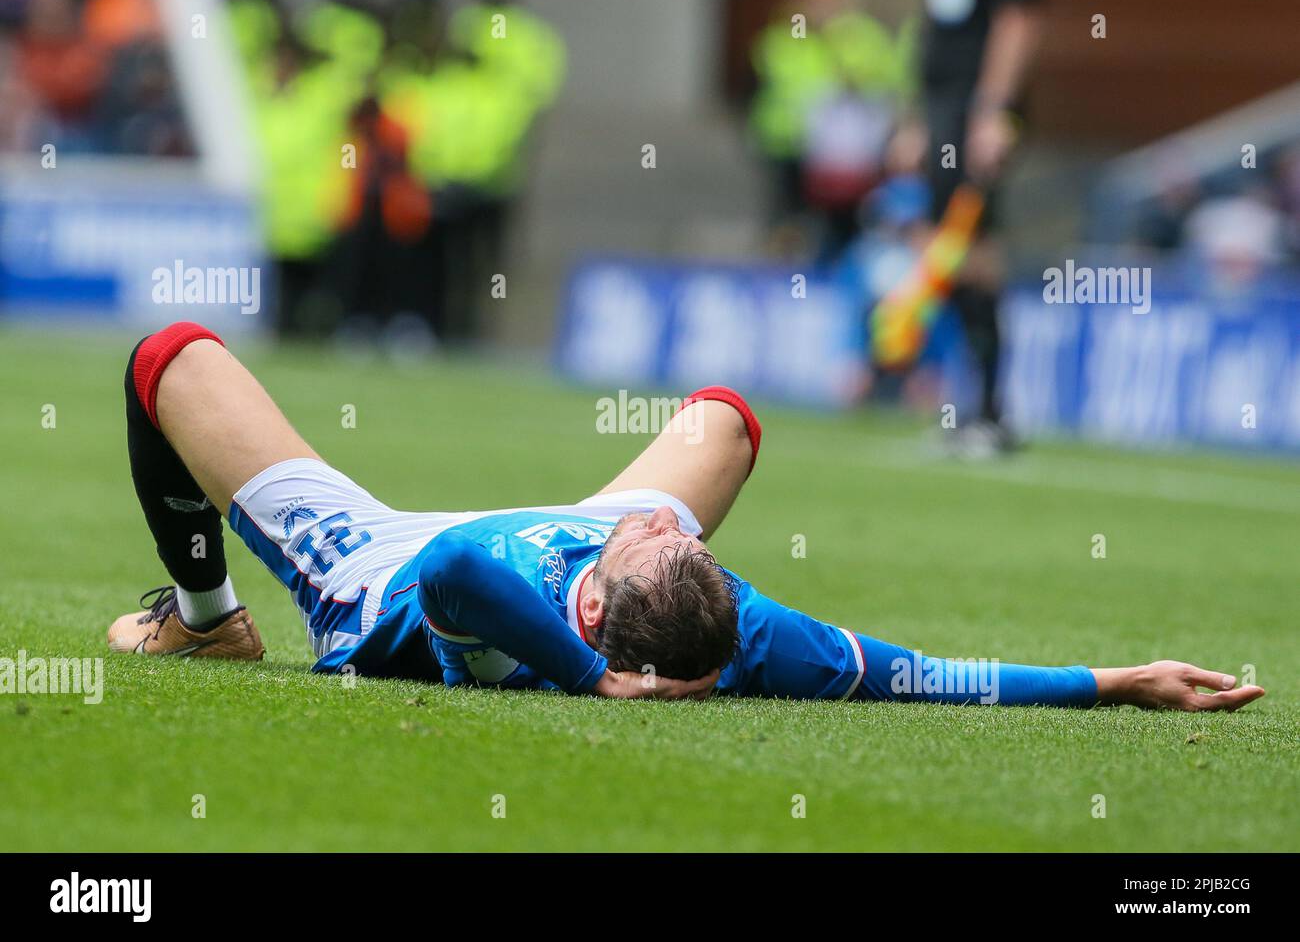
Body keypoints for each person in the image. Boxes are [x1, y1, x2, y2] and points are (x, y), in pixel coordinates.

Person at [108, 322, 1265, 712]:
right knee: (724, 422)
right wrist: (1112, 679)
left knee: (168, 360)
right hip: (571, 529)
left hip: (375, 563)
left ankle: (208, 616)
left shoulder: (501, 621)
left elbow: (460, 559)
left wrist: (585, 673)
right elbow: (929, 672)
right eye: (691, 542)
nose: (683, 527)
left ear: (601, 604)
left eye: (669, 538)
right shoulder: (735, 625)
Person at [889, 0, 1045, 454]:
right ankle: (968, 409)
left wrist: (993, 111)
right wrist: (919, 120)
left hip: (973, 117)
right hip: (944, 116)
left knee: (972, 252)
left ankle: (992, 414)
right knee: (945, 255)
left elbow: (1019, 19)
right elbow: (938, 34)